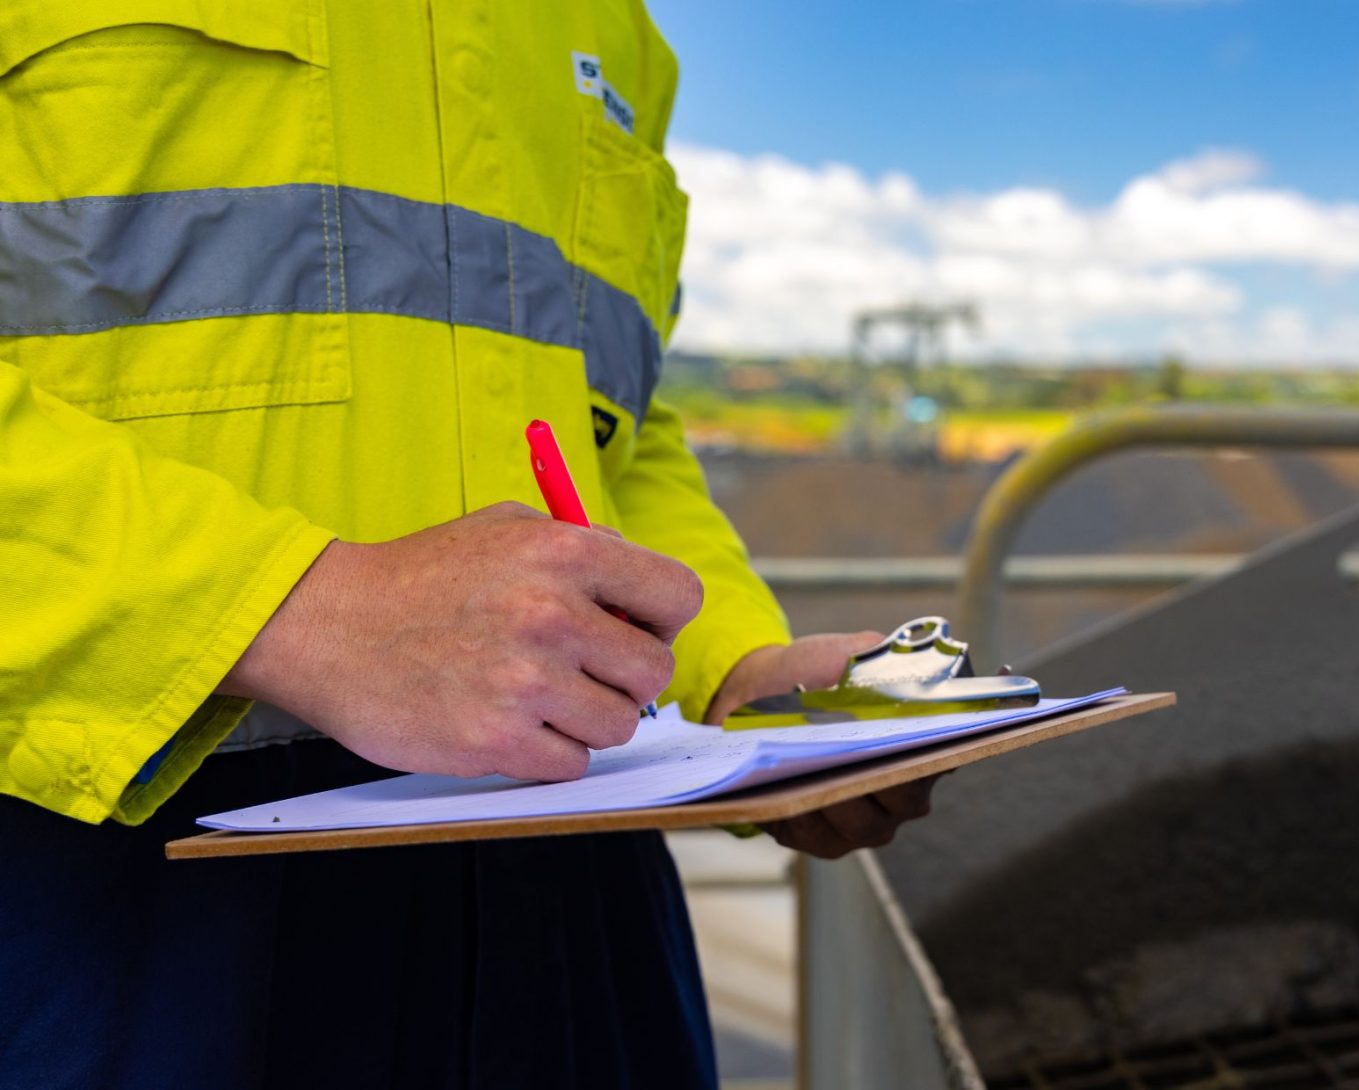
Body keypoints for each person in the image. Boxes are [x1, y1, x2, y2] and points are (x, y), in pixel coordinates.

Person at [0, 3, 936, 1087]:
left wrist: (727, 670)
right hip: (89, 854)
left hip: (574, 846)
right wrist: (288, 607)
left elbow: (604, 435)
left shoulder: (610, 29)